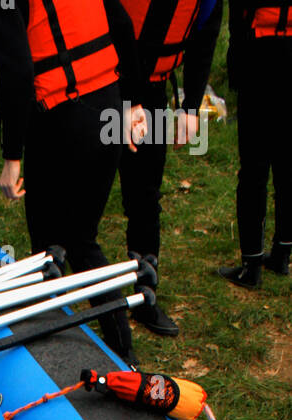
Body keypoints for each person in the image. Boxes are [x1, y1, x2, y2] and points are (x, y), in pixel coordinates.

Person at [0, 0, 147, 363]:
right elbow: (122, 24)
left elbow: (16, 70)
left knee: (49, 250)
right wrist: (133, 103)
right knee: (83, 239)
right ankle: (123, 351)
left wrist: (12, 158)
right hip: (108, 106)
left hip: (64, 119)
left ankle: (51, 355)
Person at [119, 1, 222, 336]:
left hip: (152, 92)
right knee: (83, 184)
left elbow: (204, 38)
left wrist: (190, 107)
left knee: (145, 194)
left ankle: (145, 293)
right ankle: (56, 282)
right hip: (104, 84)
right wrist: (128, 102)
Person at [219, 2, 291, 287]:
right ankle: (283, 253)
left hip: (261, 54)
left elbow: (239, 15)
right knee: (287, 163)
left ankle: (251, 265)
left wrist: (236, 64)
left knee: (254, 166)